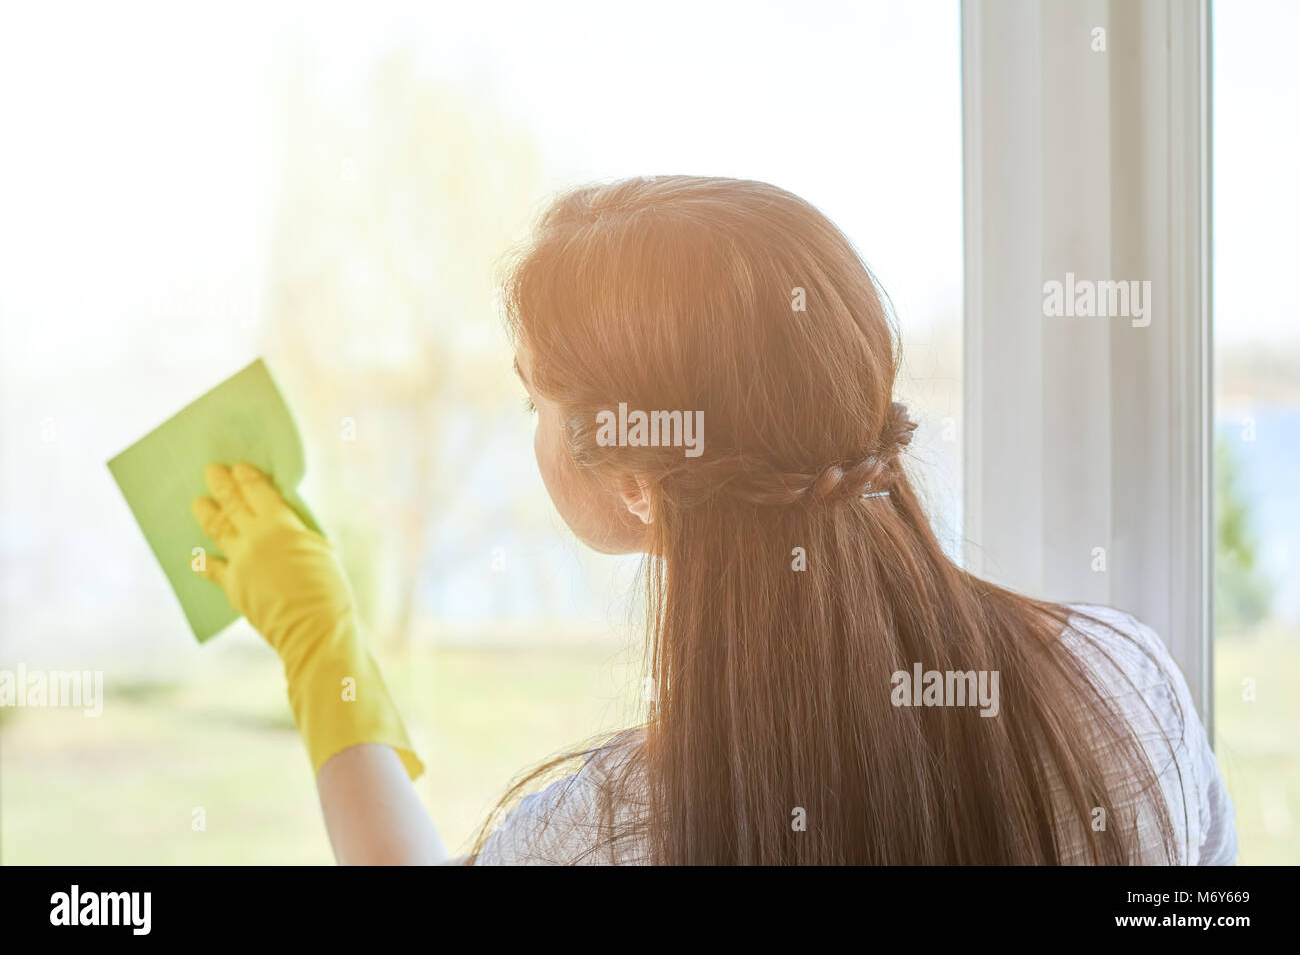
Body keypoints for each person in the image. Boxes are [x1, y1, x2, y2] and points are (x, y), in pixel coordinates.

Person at [191, 176, 1236, 865]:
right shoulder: (1123, 686)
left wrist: (318, 649)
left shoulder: (600, 833)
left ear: (638, 483)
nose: (530, 426)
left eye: (533, 402)